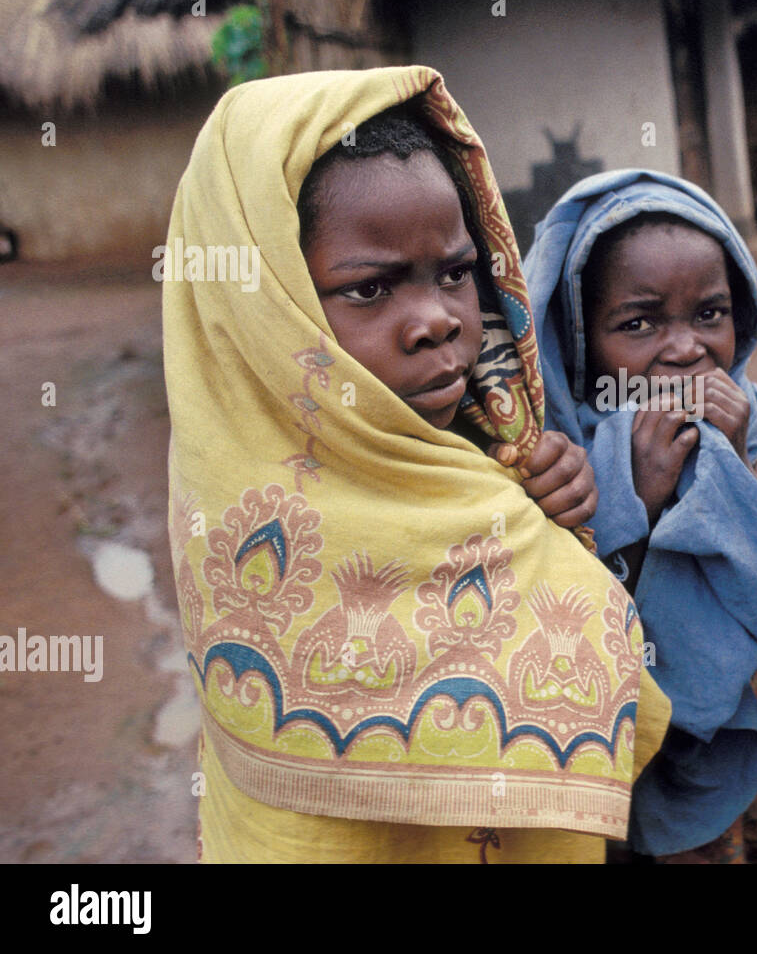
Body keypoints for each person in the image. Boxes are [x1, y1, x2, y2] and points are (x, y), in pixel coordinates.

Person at [162, 67, 668, 863]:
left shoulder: (489, 444)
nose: (436, 320)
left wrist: (549, 504)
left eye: (458, 272)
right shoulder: (252, 517)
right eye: (369, 289)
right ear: (266, 308)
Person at [524, 170, 757, 862]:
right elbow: (550, 603)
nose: (686, 347)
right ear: (580, 339)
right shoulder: (556, 453)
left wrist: (736, 476)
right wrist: (635, 496)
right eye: (638, 323)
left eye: (709, 314)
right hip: (636, 730)